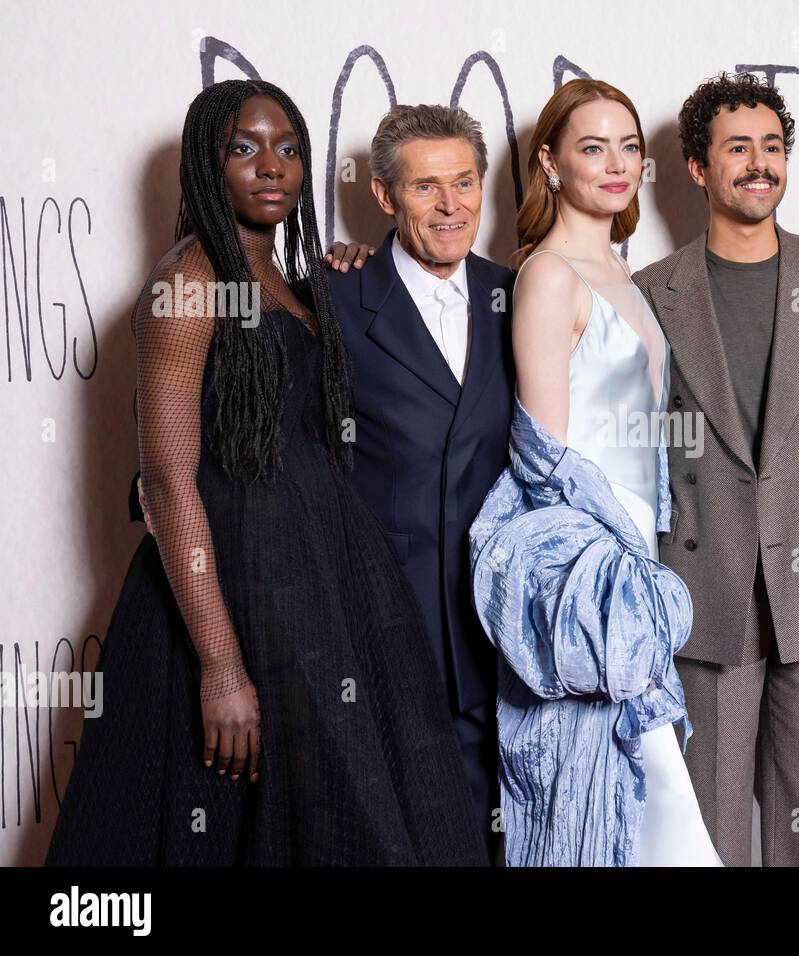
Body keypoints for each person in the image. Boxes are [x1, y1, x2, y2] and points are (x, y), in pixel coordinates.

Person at [45, 80, 485, 866]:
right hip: (241, 591)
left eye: (287, 148)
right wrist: (219, 666)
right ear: (204, 165)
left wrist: (343, 268)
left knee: (364, 811)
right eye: (242, 147)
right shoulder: (187, 284)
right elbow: (167, 484)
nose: (271, 165)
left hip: (320, 580)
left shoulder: (295, 280)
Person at [633, 72, 799, 867]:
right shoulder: (650, 292)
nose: (759, 164)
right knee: (707, 826)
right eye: (737, 148)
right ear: (698, 168)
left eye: (773, 148)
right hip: (700, 588)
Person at [469, 78, 722, 867]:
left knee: (635, 805)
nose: (616, 165)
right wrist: (609, 581)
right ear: (548, 163)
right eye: (591, 147)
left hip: (635, 562)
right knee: (603, 795)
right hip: (584, 577)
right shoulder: (549, 275)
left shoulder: (627, 276)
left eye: (628, 146)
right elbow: (543, 455)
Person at [324, 104, 514, 863]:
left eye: (465, 183)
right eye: (427, 187)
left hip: (504, 634)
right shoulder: (331, 301)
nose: (451, 206)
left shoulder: (519, 294)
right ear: (383, 196)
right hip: (389, 631)